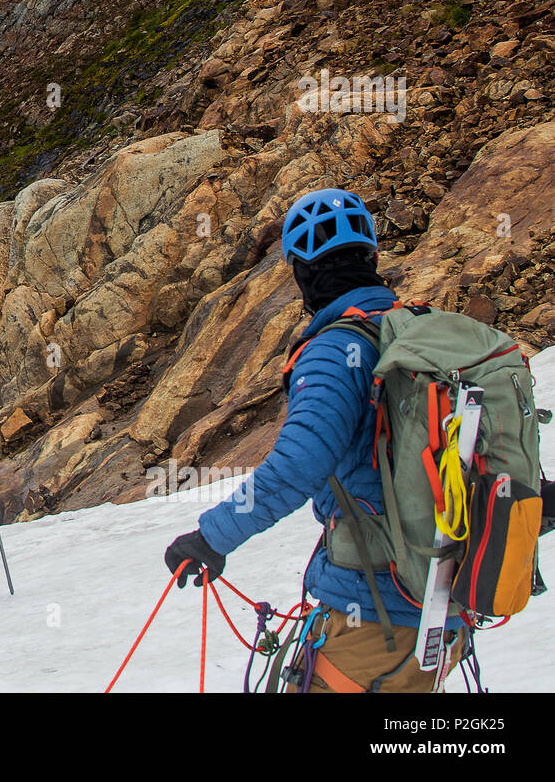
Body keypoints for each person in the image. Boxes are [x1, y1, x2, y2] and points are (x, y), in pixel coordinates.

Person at [163, 189, 463, 693]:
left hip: (373, 616)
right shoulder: (425, 335)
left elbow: (297, 466)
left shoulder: (336, 351)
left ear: (302, 273)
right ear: (371, 257)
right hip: (449, 608)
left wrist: (211, 538)